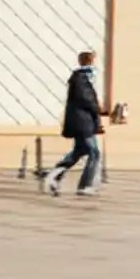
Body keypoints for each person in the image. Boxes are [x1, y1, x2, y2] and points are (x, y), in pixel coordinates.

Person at [45, 51, 104, 196]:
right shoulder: (80, 78)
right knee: (94, 153)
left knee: (78, 152)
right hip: (83, 123)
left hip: (84, 122)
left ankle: (53, 176)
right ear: (89, 61)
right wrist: (100, 110)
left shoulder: (84, 78)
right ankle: (85, 186)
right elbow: (86, 100)